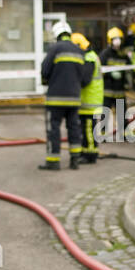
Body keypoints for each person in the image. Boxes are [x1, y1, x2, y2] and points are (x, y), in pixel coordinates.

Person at [38, 20, 91, 170]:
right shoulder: (79, 51)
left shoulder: (55, 48)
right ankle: (75, 159)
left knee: (53, 128)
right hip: (74, 98)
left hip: (55, 98)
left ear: (56, 35)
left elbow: (45, 70)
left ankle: (53, 161)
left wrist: (48, 81)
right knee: (74, 128)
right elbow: (85, 77)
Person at [99, 26, 135, 130]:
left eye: (119, 39)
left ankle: (123, 133)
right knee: (105, 112)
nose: (117, 41)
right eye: (115, 39)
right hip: (107, 90)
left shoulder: (123, 54)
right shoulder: (105, 54)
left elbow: (129, 68)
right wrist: (110, 74)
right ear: (110, 40)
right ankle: (103, 134)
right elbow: (100, 69)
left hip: (120, 89)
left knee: (121, 113)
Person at [71, 33, 102, 163]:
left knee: (89, 129)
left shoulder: (89, 58)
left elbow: (85, 80)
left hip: (90, 102)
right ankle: (86, 151)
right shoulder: (89, 56)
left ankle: (91, 154)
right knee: (85, 128)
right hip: (87, 101)